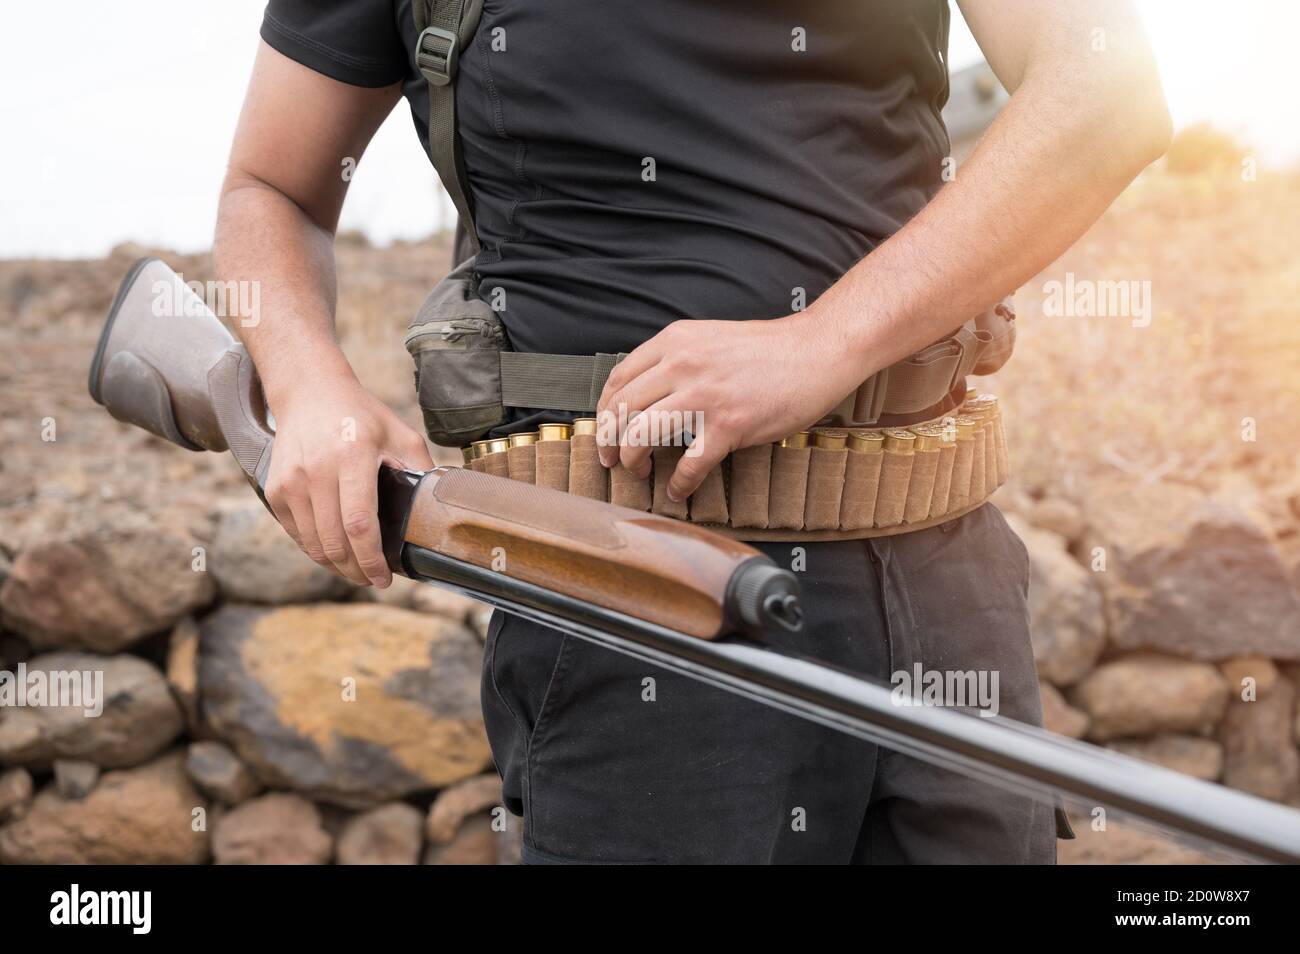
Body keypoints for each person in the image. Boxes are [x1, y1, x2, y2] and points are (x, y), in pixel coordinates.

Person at [215, 0, 1169, 863]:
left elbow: (1106, 85)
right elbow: (270, 188)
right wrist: (305, 384)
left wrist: (821, 344)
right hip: (632, 595)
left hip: (944, 578)